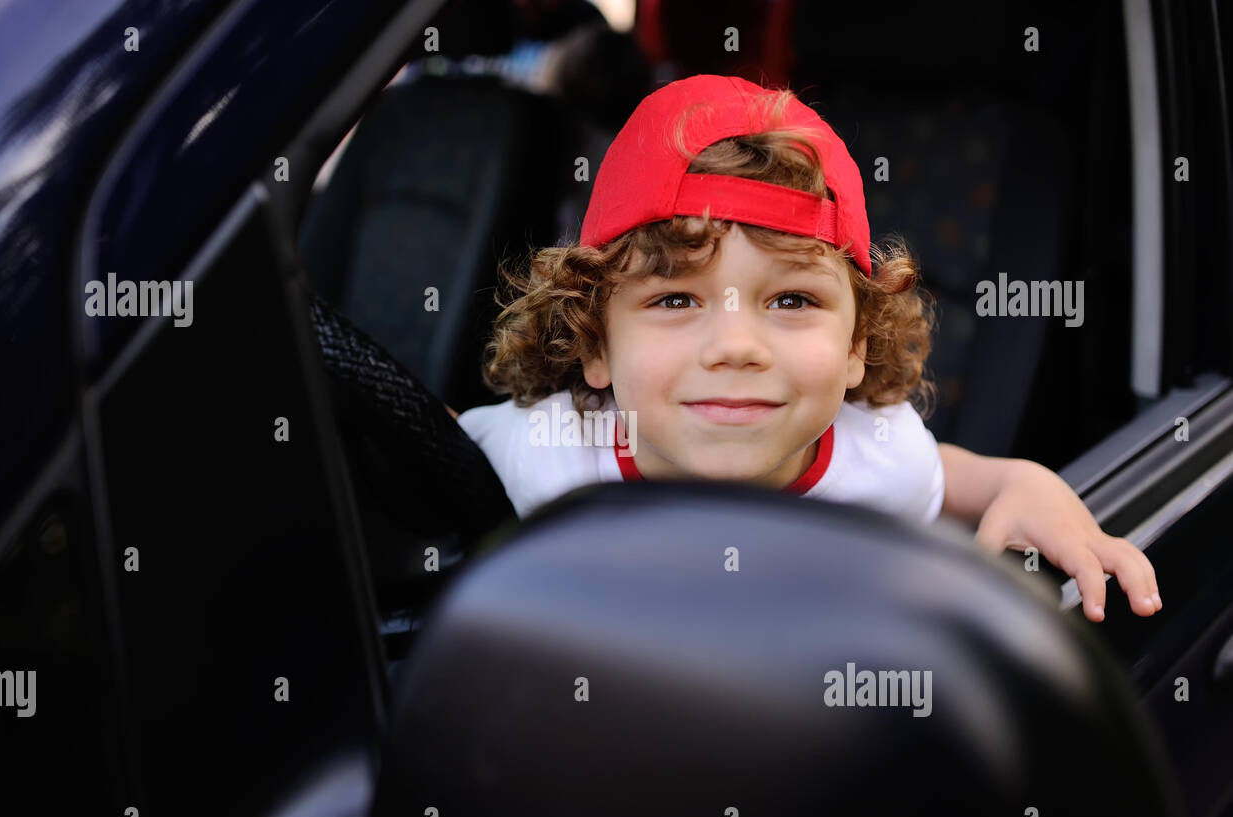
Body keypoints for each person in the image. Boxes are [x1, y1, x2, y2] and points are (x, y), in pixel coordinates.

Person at [452, 74, 1161, 623]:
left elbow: (964, 478)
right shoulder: (544, 450)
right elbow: (423, 454)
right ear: (595, 344)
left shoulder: (880, 460)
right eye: (675, 299)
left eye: (791, 300)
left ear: (857, 342)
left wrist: (1029, 486)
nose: (735, 346)